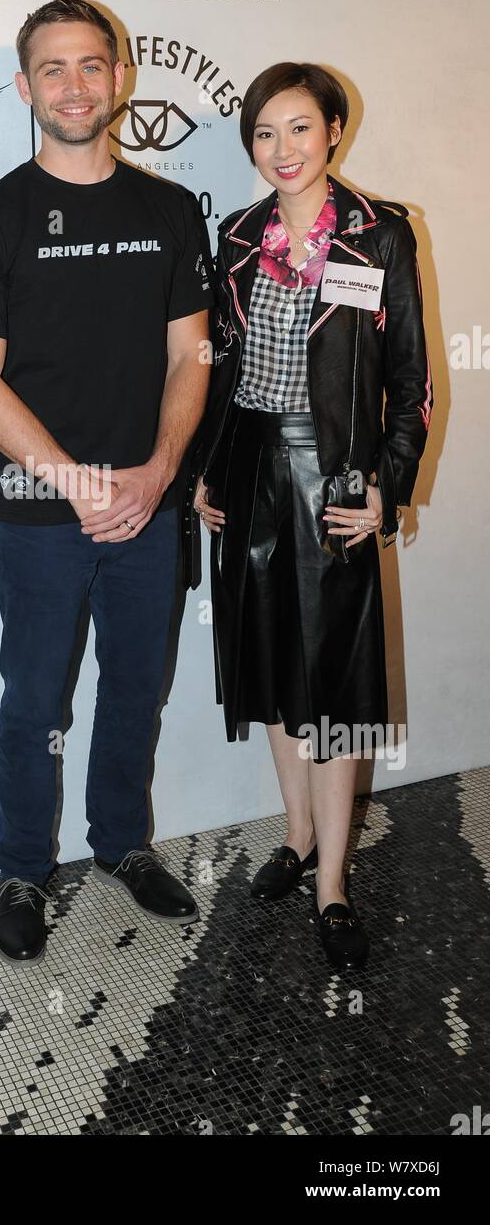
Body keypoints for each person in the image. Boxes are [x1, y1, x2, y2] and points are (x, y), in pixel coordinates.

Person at [0, 0, 213, 966]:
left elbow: (193, 359)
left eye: (89, 65)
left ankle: (120, 845)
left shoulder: (170, 210)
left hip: (150, 505)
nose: (72, 85)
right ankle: (21, 867)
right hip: (40, 516)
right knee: (34, 700)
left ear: (118, 77)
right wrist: (78, 484)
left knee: (136, 687)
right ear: (24, 88)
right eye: (51, 69)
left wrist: (156, 472)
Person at [184, 62, 433, 971]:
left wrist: (387, 484)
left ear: (333, 129)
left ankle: (332, 883)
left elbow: (411, 381)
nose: (280, 150)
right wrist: (204, 471)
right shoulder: (238, 235)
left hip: (334, 481)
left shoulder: (381, 237)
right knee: (274, 672)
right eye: (263, 134)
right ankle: (293, 837)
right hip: (249, 468)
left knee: (330, 683)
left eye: (297, 129)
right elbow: (215, 364)